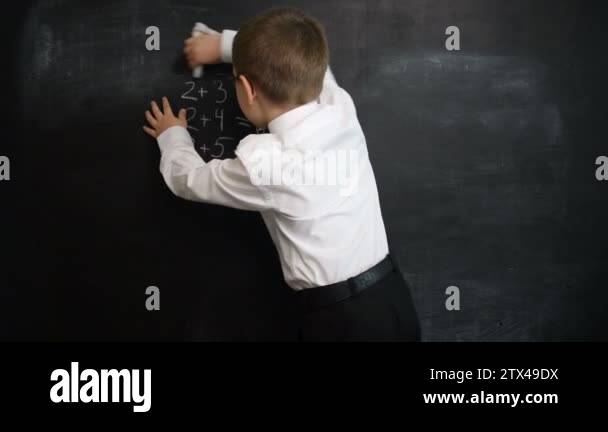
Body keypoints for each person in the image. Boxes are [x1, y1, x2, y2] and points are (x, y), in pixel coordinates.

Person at [143, 8, 420, 341]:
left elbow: (189, 180)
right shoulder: (339, 107)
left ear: (246, 89)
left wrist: (172, 135)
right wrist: (224, 46)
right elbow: (312, 66)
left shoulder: (265, 165)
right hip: (393, 300)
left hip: (342, 323)